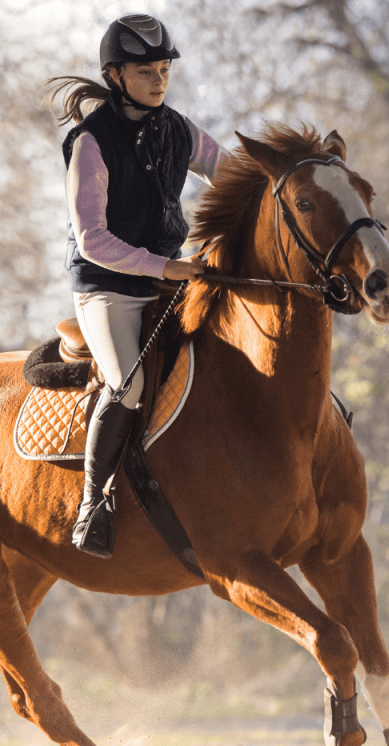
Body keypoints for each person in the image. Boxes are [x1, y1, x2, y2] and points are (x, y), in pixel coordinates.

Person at [46, 13, 229, 558]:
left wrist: (289, 180)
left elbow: (233, 176)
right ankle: (92, 504)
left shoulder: (179, 130)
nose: (159, 80)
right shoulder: (90, 143)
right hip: (107, 288)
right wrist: (163, 267)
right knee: (127, 384)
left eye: (164, 69)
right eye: (146, 71)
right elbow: (92, 240)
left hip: (167, 279)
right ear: (116, 75)